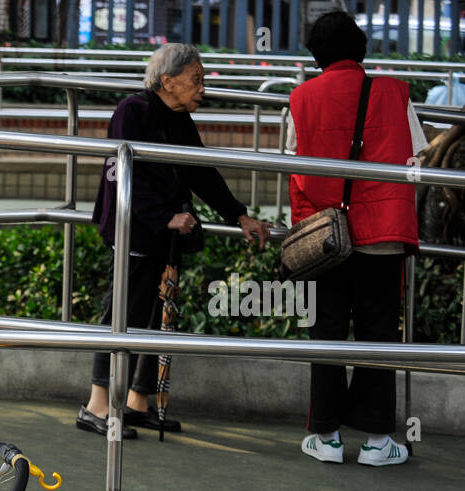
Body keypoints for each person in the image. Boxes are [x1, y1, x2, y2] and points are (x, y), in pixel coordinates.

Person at [80, 43, 271, 439]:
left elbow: (202, 173)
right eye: (195, 80)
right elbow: (122, 175)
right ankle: (95, 406)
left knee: (157, 317)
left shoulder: (180, 117)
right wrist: (164, 216)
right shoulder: (132, 111)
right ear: (168, 80)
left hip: (167, 233)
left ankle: (137, 401)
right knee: (123, 315)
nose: (202, 89)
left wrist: (238, 215)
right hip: (134, 230)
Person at [290, 11, 422, 467]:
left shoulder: (301, 97)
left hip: (326, 236)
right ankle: (376, 442)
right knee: (377, 333)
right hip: (383, 233)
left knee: (325, 331)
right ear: (362, 47)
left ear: (317, 54)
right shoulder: (394, 91)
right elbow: (416, 155)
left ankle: (325, 437)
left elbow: (296, 164)